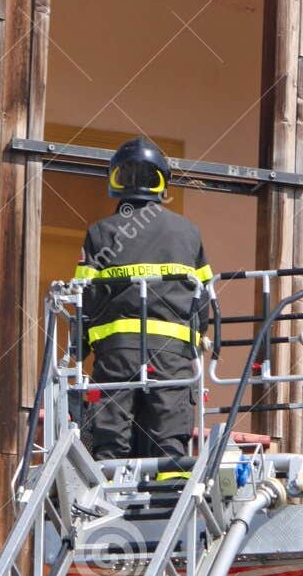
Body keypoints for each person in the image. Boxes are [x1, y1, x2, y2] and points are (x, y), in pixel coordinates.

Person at [75, 137, 211, 464]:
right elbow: (204, 299)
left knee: (110, 435)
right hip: (172, 353)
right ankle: (171, 491)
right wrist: (195, 339)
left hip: (117, 352)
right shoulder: (188, 232)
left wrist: (82, 346)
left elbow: (84, 300)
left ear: (116, 180)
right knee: (170, 439)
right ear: (162, 182)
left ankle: (107, 491)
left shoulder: (99, 233)